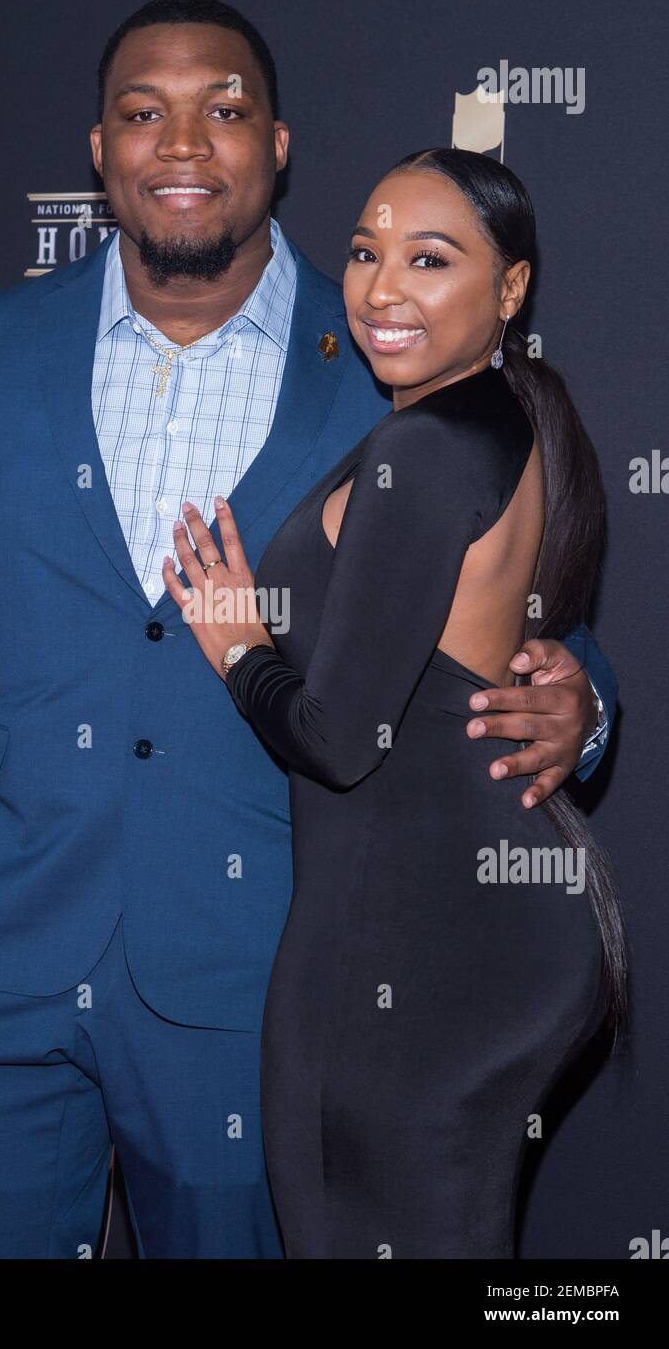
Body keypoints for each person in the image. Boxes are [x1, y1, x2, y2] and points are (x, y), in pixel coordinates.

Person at [0, 0, 615, 1260]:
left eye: (223, 110)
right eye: (144, 113)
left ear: (279, 146)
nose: (182, 144)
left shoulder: (386, 360)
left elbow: (515, 584)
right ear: (97, 149)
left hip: (259, 977)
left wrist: (582, 696)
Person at [163, 147, 627, 1259]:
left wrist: (239, 646)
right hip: (438, 925)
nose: (380, 288)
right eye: (366, 253)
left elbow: (343, 733)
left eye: (428, 258)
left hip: (407, 940)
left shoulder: (428, 439)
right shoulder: (493, 416)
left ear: (509, 289)